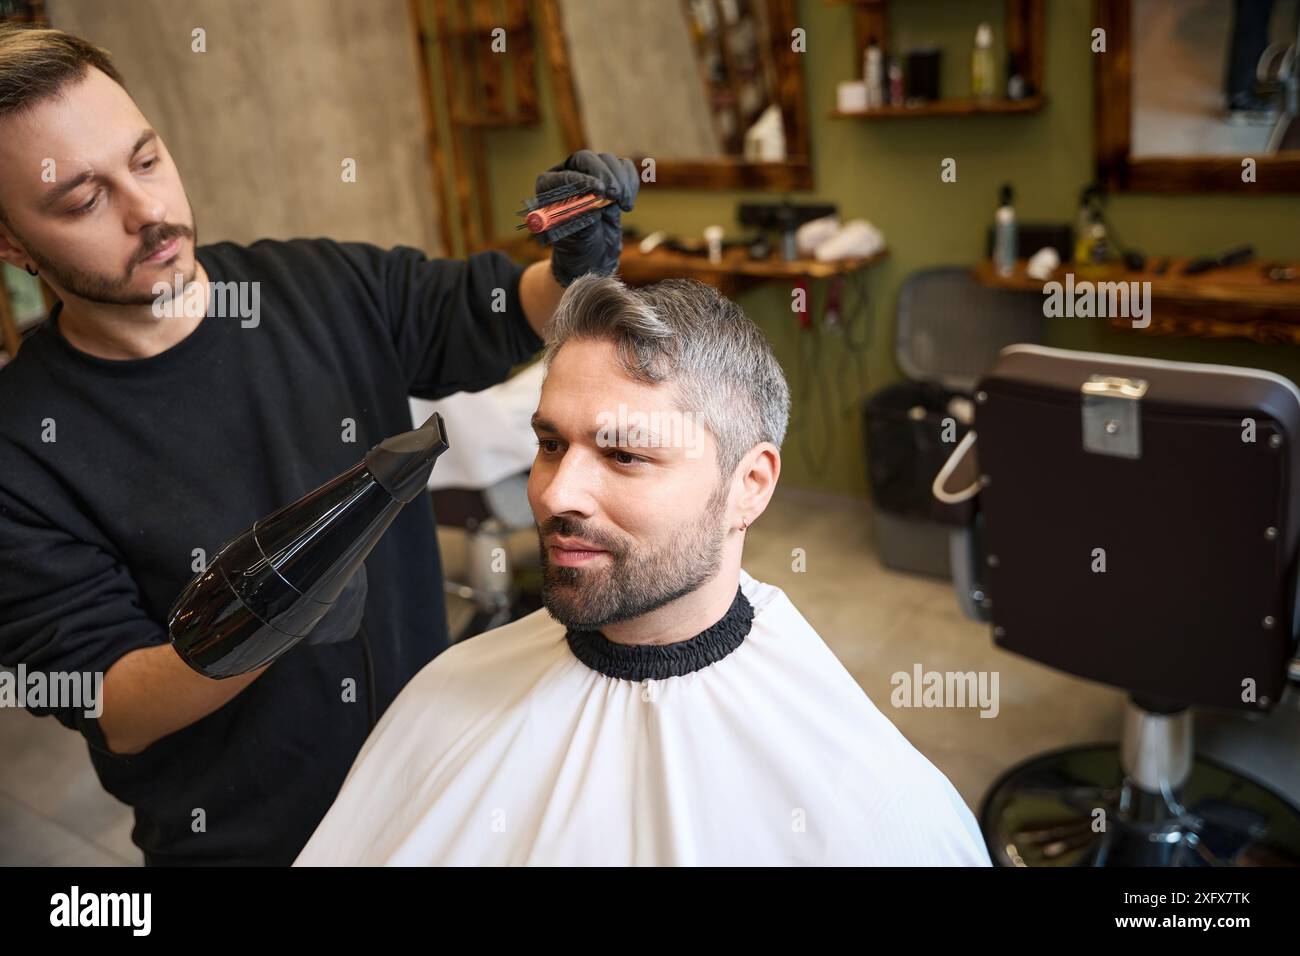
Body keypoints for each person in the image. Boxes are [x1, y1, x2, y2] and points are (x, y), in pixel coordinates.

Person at [0, 23, 638, 865]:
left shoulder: (317, 287)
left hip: (434, 786)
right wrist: (266, 621)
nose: (149, 212)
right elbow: (113, 703)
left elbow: (492, 311)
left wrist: (572, 268)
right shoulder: (22, 450)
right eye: (83, 201)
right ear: (11, 245)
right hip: (249, 841)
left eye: (147, 160)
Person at [296, 275, 992, 866]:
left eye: (624, 454)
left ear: (749, 485)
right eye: (548, 443)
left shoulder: (876, 802)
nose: (555, 494)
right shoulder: (444, 697)